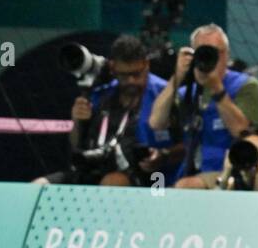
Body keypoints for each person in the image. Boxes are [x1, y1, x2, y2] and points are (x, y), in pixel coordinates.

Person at [35, 34, 176, 186]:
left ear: (146, 64)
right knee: (39, 185)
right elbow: (76, 145)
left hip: (152, 178)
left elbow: (186, 144)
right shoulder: (99, 94)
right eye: (124, 75)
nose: (131, 81)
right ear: (112, 67)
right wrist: (77, 121)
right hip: (96, 170)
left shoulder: (165, 94)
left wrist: (164, 156)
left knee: (114, 181)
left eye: (136, 74)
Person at [149, 23, 258, 189]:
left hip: (234, 171)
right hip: (193, 170)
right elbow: (156, 123)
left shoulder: (246, 86)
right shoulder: (187, 92)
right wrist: (177, 77)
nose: (210, 59)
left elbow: (242, 132)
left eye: (215, 52)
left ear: (227, 55)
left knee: (185, 187)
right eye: (202, 52)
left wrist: (217, 88)